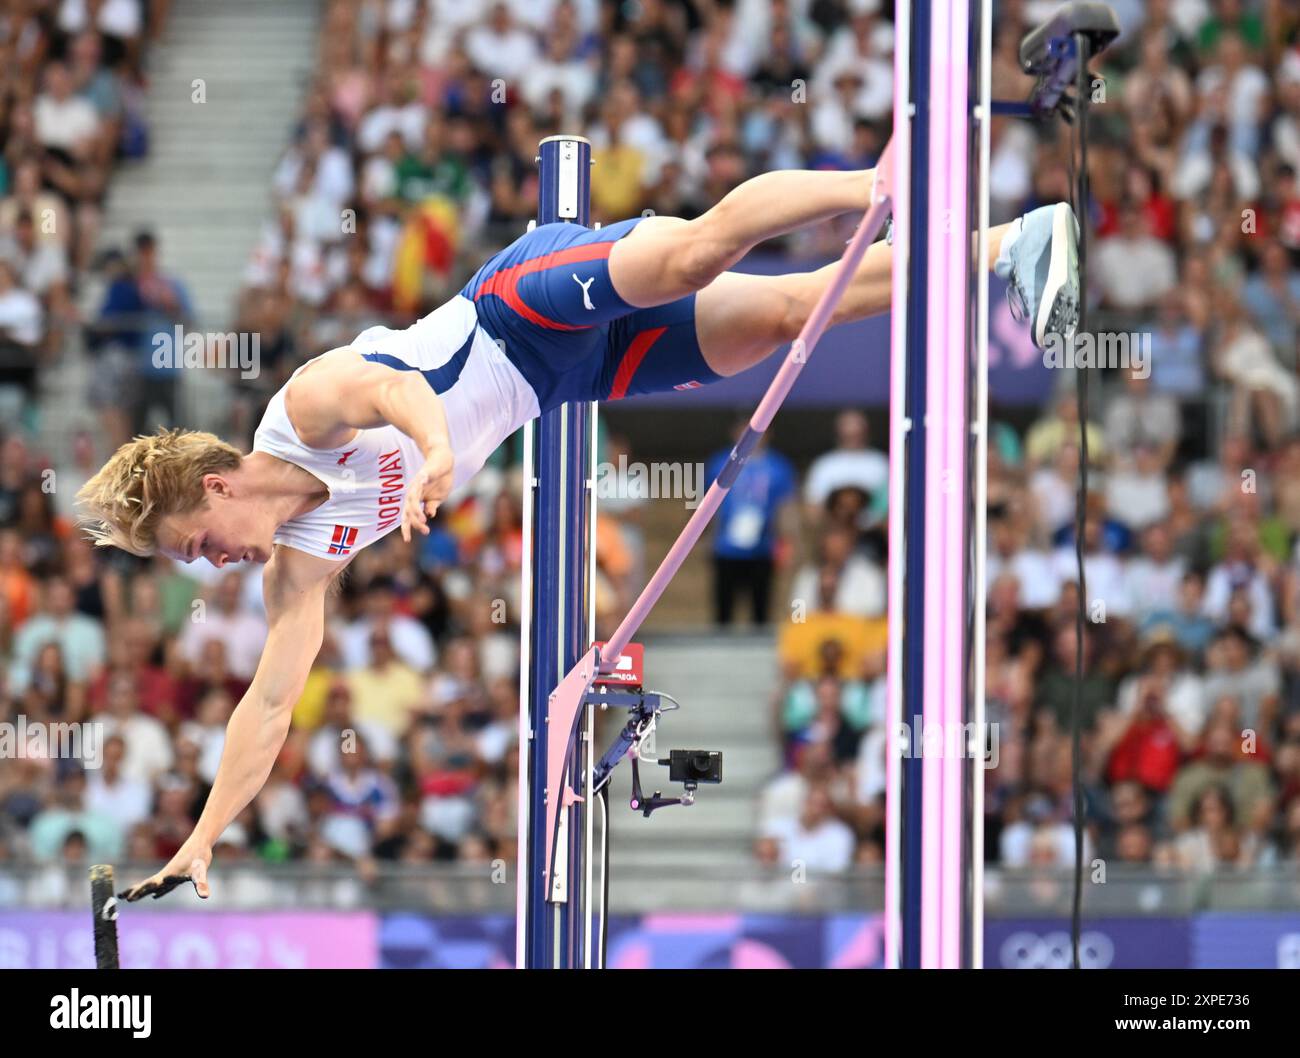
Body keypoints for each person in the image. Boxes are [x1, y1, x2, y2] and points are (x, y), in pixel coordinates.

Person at [78, 164, 1080, 901]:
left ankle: (881, 176)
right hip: (564, 379)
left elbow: (392, 385)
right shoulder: (298, 573)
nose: (211, 564)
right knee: (784, 315)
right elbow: (268, 704)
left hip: (521, 305)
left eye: (198, 542)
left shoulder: (302, 409)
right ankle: (1011, 244)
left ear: (216, 484)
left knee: (695, 249)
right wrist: (202, 836)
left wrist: (431, 452)